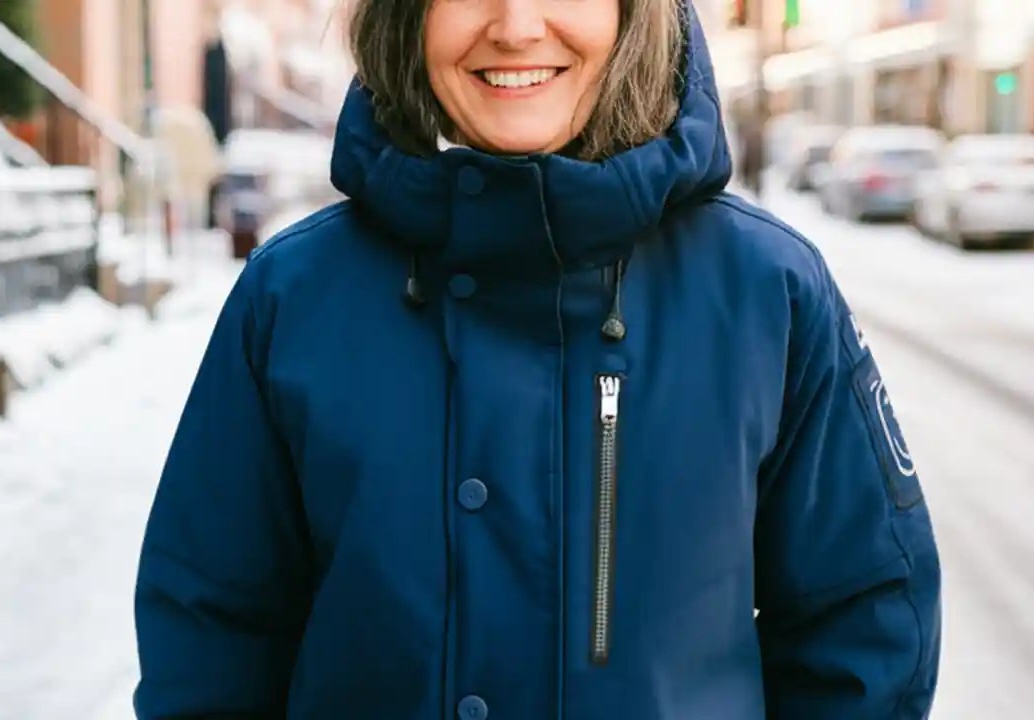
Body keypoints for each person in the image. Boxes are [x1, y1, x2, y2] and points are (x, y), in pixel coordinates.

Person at [132, 0, 942, 718]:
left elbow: (865, 625)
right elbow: (209, 636)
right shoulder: (294, 298)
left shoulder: (767, 292)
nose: (516, 25)